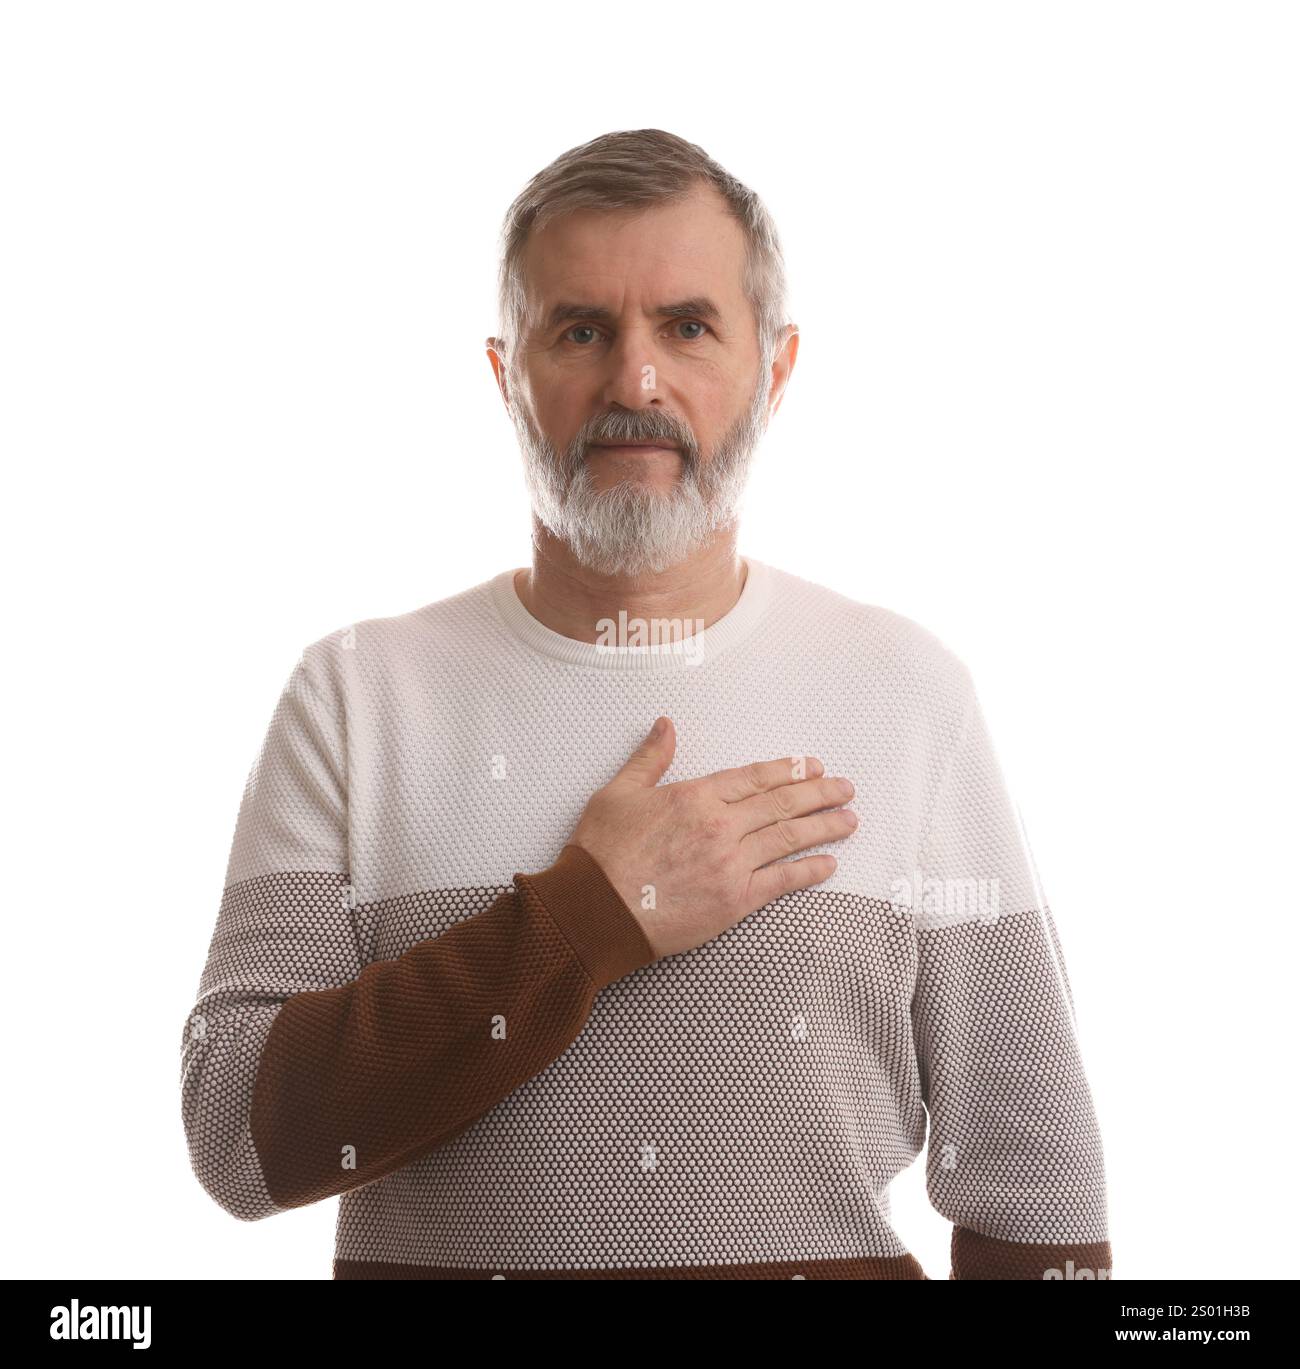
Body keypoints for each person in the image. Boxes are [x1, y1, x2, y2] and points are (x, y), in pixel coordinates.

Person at [181, 128, 1112, 1280]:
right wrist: (582, 921)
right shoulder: (355, 698)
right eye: (580, 329)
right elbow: (235, 1134)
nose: (635, 380)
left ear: (773, 369)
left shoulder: (906, 692)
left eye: (687, 326)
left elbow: (1036, 1181)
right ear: (503, 373)